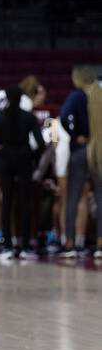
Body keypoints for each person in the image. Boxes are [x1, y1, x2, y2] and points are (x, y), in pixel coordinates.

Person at [0, 85, 45, 260]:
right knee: (25, 202)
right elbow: (41, 143)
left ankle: (7, 246)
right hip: (24, 160)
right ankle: (26, 245)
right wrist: (33, 156)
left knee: (6, 201)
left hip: (4, 160)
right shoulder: (28, 117)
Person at [59, 65, 99, 258]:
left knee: (73, 197)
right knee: (99, 197)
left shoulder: (77, 95)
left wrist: (75, 136)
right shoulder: (99, 94)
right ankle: (100, 242)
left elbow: (64, 116)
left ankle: (70, 242)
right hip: (98, 149)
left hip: (82, 150)